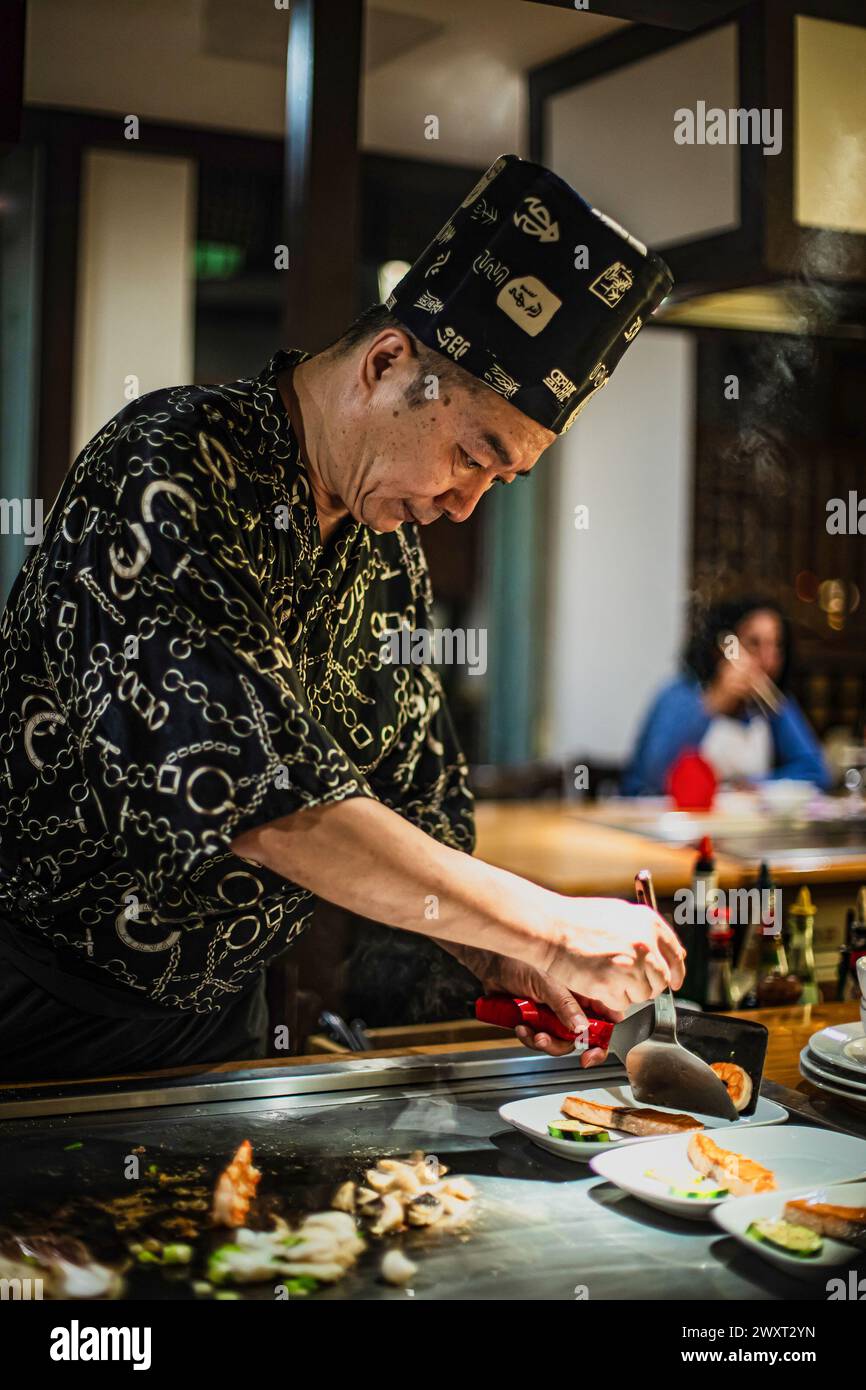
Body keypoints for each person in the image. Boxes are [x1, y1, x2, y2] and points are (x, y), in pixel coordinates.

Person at [0, 154, 682, 1081]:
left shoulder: (383, 549)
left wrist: (497, 953)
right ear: (387, 363)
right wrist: (550, 924)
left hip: (219, 1019)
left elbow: (420, 807)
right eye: (470, 454)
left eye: (502, 478)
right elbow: (252, 797)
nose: (467, 505)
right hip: (39, 1006)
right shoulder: (169, 469)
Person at [622, 596, 831, 796]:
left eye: (776, 645)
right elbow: (653, 776)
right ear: (723, 647)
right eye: (754, 644)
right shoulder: (680, 694)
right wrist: (713, 704)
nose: (768, 659)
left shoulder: (772, 705)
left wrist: (754, 786)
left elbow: (815, 772)